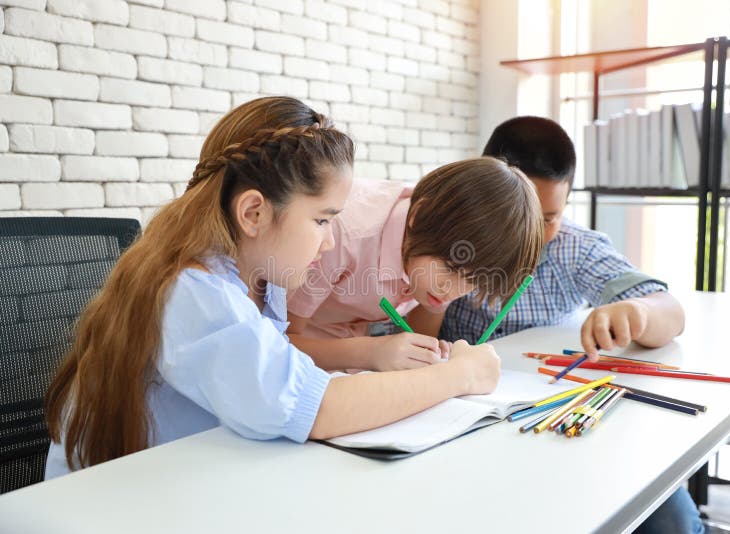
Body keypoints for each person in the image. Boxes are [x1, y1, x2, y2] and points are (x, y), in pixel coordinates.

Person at [44, 97, 501, 479]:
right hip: (122, 499)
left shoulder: (262, 282)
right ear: (254, 214)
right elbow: (315, 408)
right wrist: (459, 375)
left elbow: (285, 380)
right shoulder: (196, 292)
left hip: (198, 474)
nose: (328, 240)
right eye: (321, 220)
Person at [441, 116, 701, 534]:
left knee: (673, 523)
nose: (534, 232)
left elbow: (670, 311)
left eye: (549, 216)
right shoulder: (450, 246)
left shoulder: (573, 247)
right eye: (517, 214)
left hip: (563, 412)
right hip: (470, 420)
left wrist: (637, 312)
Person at [286, 157, 544, 371]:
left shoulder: (451, 248)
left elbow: (423, 323)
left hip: (345, 360)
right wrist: (371, 352)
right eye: (452, 269)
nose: (451, 292)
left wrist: (427, 353)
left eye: (474, 281)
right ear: (418, 217)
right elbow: (279, 343)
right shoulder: (340, 235)